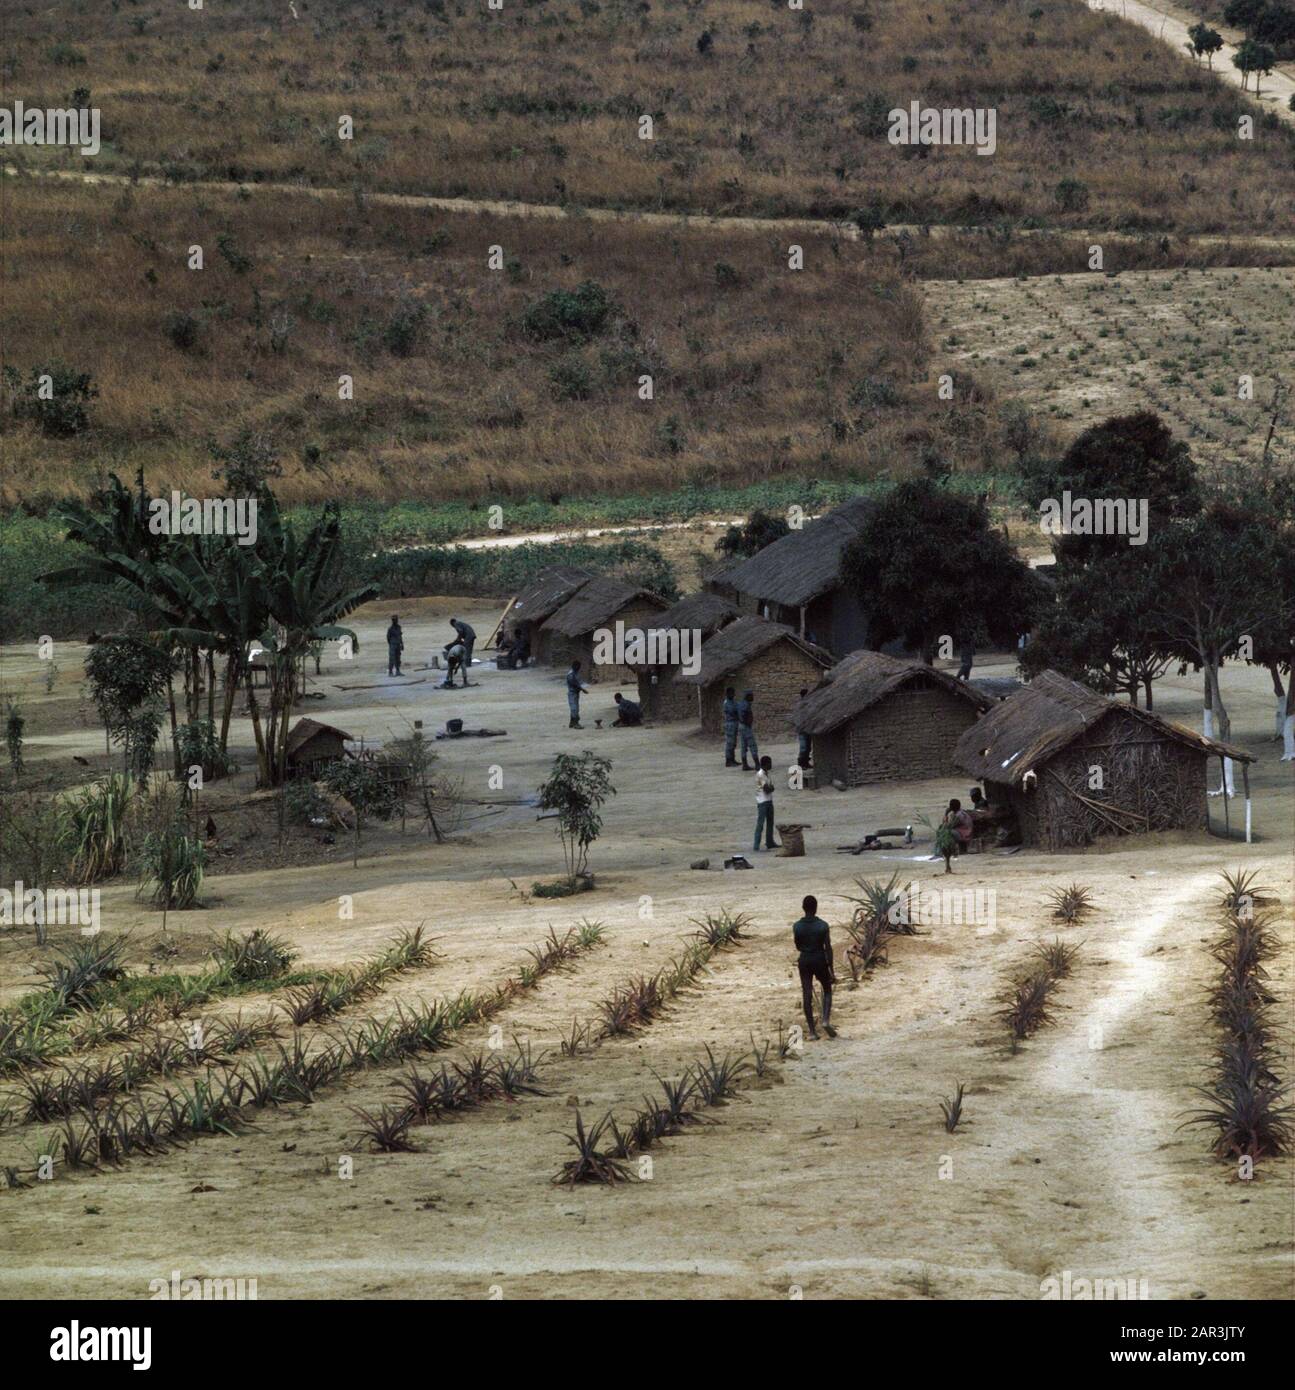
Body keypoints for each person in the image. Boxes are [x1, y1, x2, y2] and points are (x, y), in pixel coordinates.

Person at [792, 895, 836, 1040]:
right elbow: (828, 948)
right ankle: (825, 1020)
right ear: (816, 908)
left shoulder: (797, 926)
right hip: (819, 959)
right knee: (827, 989)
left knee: (807, 993)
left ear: (803, 908)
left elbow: (798, 946)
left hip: (804, 960)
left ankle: (811, 1031)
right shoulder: (823, 925)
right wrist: (831, 969)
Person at [753, 754, 779, 852]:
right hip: (762, 801)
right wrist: (771, 788)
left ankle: (769, 842)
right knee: (761, 823)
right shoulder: (760, 774)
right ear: (765, 764)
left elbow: (770, 787)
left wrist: (771, 788)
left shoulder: (766, 774)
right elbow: (768, 789)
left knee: (770, 822)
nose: (771, 765)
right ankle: (756, 844)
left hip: (768, 800)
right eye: (770, 763)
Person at [737, 690, 758, 770]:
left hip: (741, 726)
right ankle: (757, 764)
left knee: (743, 746)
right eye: (751, 696)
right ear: (748, 696)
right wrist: (748, 723)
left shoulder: (740, 704)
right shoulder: (746, 705)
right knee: (752, 745)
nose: (753, 697)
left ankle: (745, 765)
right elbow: (745, 716)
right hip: (746, 727)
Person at [566, 659, 589, 729]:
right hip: (572, 693)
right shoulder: (570, 674)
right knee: (574, 709)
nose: (579, 668)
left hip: (575, 693)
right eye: (578, 667)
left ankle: (572, 723)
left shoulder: (575, 673)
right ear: (575, 666)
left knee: (575, 708)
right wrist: (582, 689)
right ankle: (576, 724)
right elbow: (574, 683)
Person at [722, 686, 739, 767]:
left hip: (734, 723)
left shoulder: (733, 701)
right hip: (730, 723)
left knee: (733, 743)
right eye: (731, 693)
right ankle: (728, 761)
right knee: (730, 743)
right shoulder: (727, 703)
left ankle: (732, 759)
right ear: (727, 694)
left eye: (733, 693)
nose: (733, 695)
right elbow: (733, 711)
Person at [796, 687, 812, 771]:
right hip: (802, 729)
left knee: (808, 747)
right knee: (803, 747)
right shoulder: (800, 705)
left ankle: (806, 763)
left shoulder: (807, 704)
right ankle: (800, 764)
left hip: (807, 729)